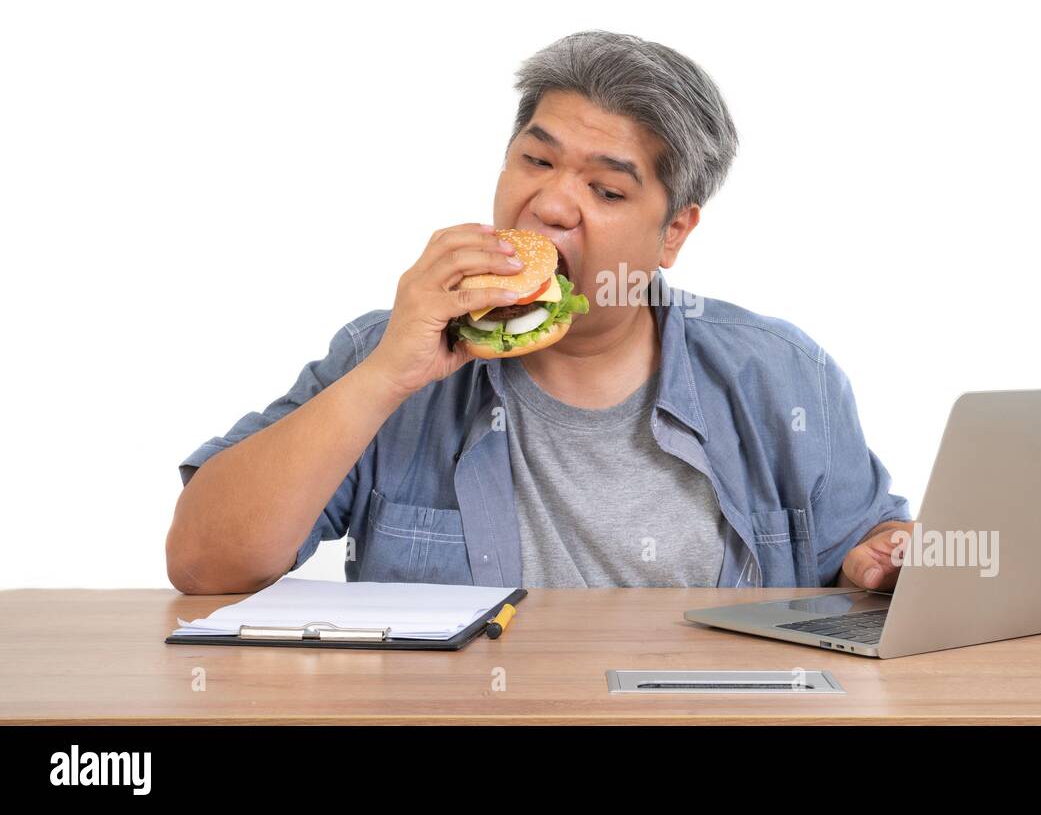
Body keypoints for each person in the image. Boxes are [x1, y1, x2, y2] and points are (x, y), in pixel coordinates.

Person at [166, 29, 913, 594]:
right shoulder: (389, 349)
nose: (552, 204)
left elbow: (859, 556)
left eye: (608, 190)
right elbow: (203, 563)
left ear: (674, 233)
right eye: (537, 160)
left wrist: (880, 558)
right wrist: (385, 377)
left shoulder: (782, 376)